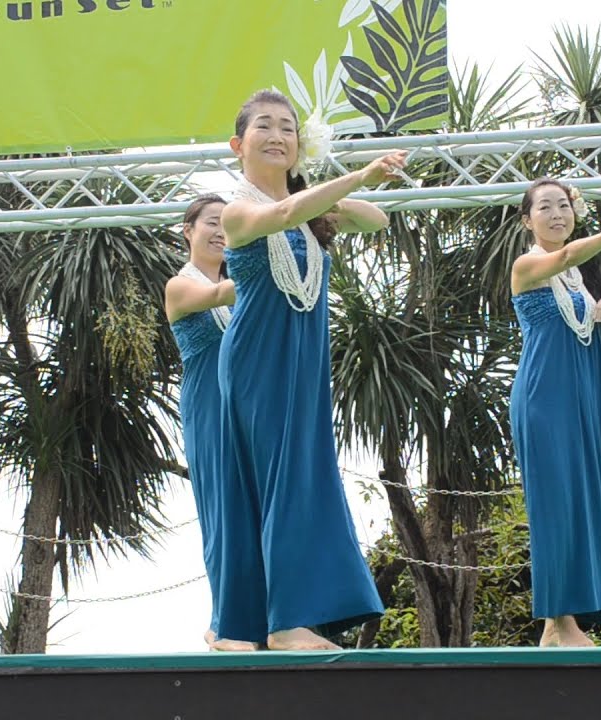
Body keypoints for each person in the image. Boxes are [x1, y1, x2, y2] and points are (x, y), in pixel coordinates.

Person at [214, 89, 407, 650]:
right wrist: (356, 178)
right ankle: (286, 623)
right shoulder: (238, 208)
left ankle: (258, 623)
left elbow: (375, 219)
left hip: (302, 353)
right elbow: (278, 213)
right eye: (265, 126)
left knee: (299, 470)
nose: (278, 135)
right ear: (238, 144)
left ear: (299, 147)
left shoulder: (308, 213)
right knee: (280, 474)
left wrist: (340, 196)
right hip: (259, 356)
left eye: (288, 128)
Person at [509, 178, 601, 647]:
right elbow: (565, 256)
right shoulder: (528, 264)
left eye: (564, 205)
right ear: (528, 220)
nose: (557, 214)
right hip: (546, 396)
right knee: (557, 502)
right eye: (545, 207)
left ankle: (565, 624)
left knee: (584, 496)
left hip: (584, 395)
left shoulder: (580, 282)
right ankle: (557, 623)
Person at [164, 194, 254, 652]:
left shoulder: (235, 283)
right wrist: (267, 266)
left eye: (226, 224)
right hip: (208, 404)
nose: (221, 232)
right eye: (211, 223)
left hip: (245, 400)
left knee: (251, 510)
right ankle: (226, 624)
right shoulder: (179, 286)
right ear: (188, 230)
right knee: (223, 509)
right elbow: (221, 293)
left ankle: (257, 620)